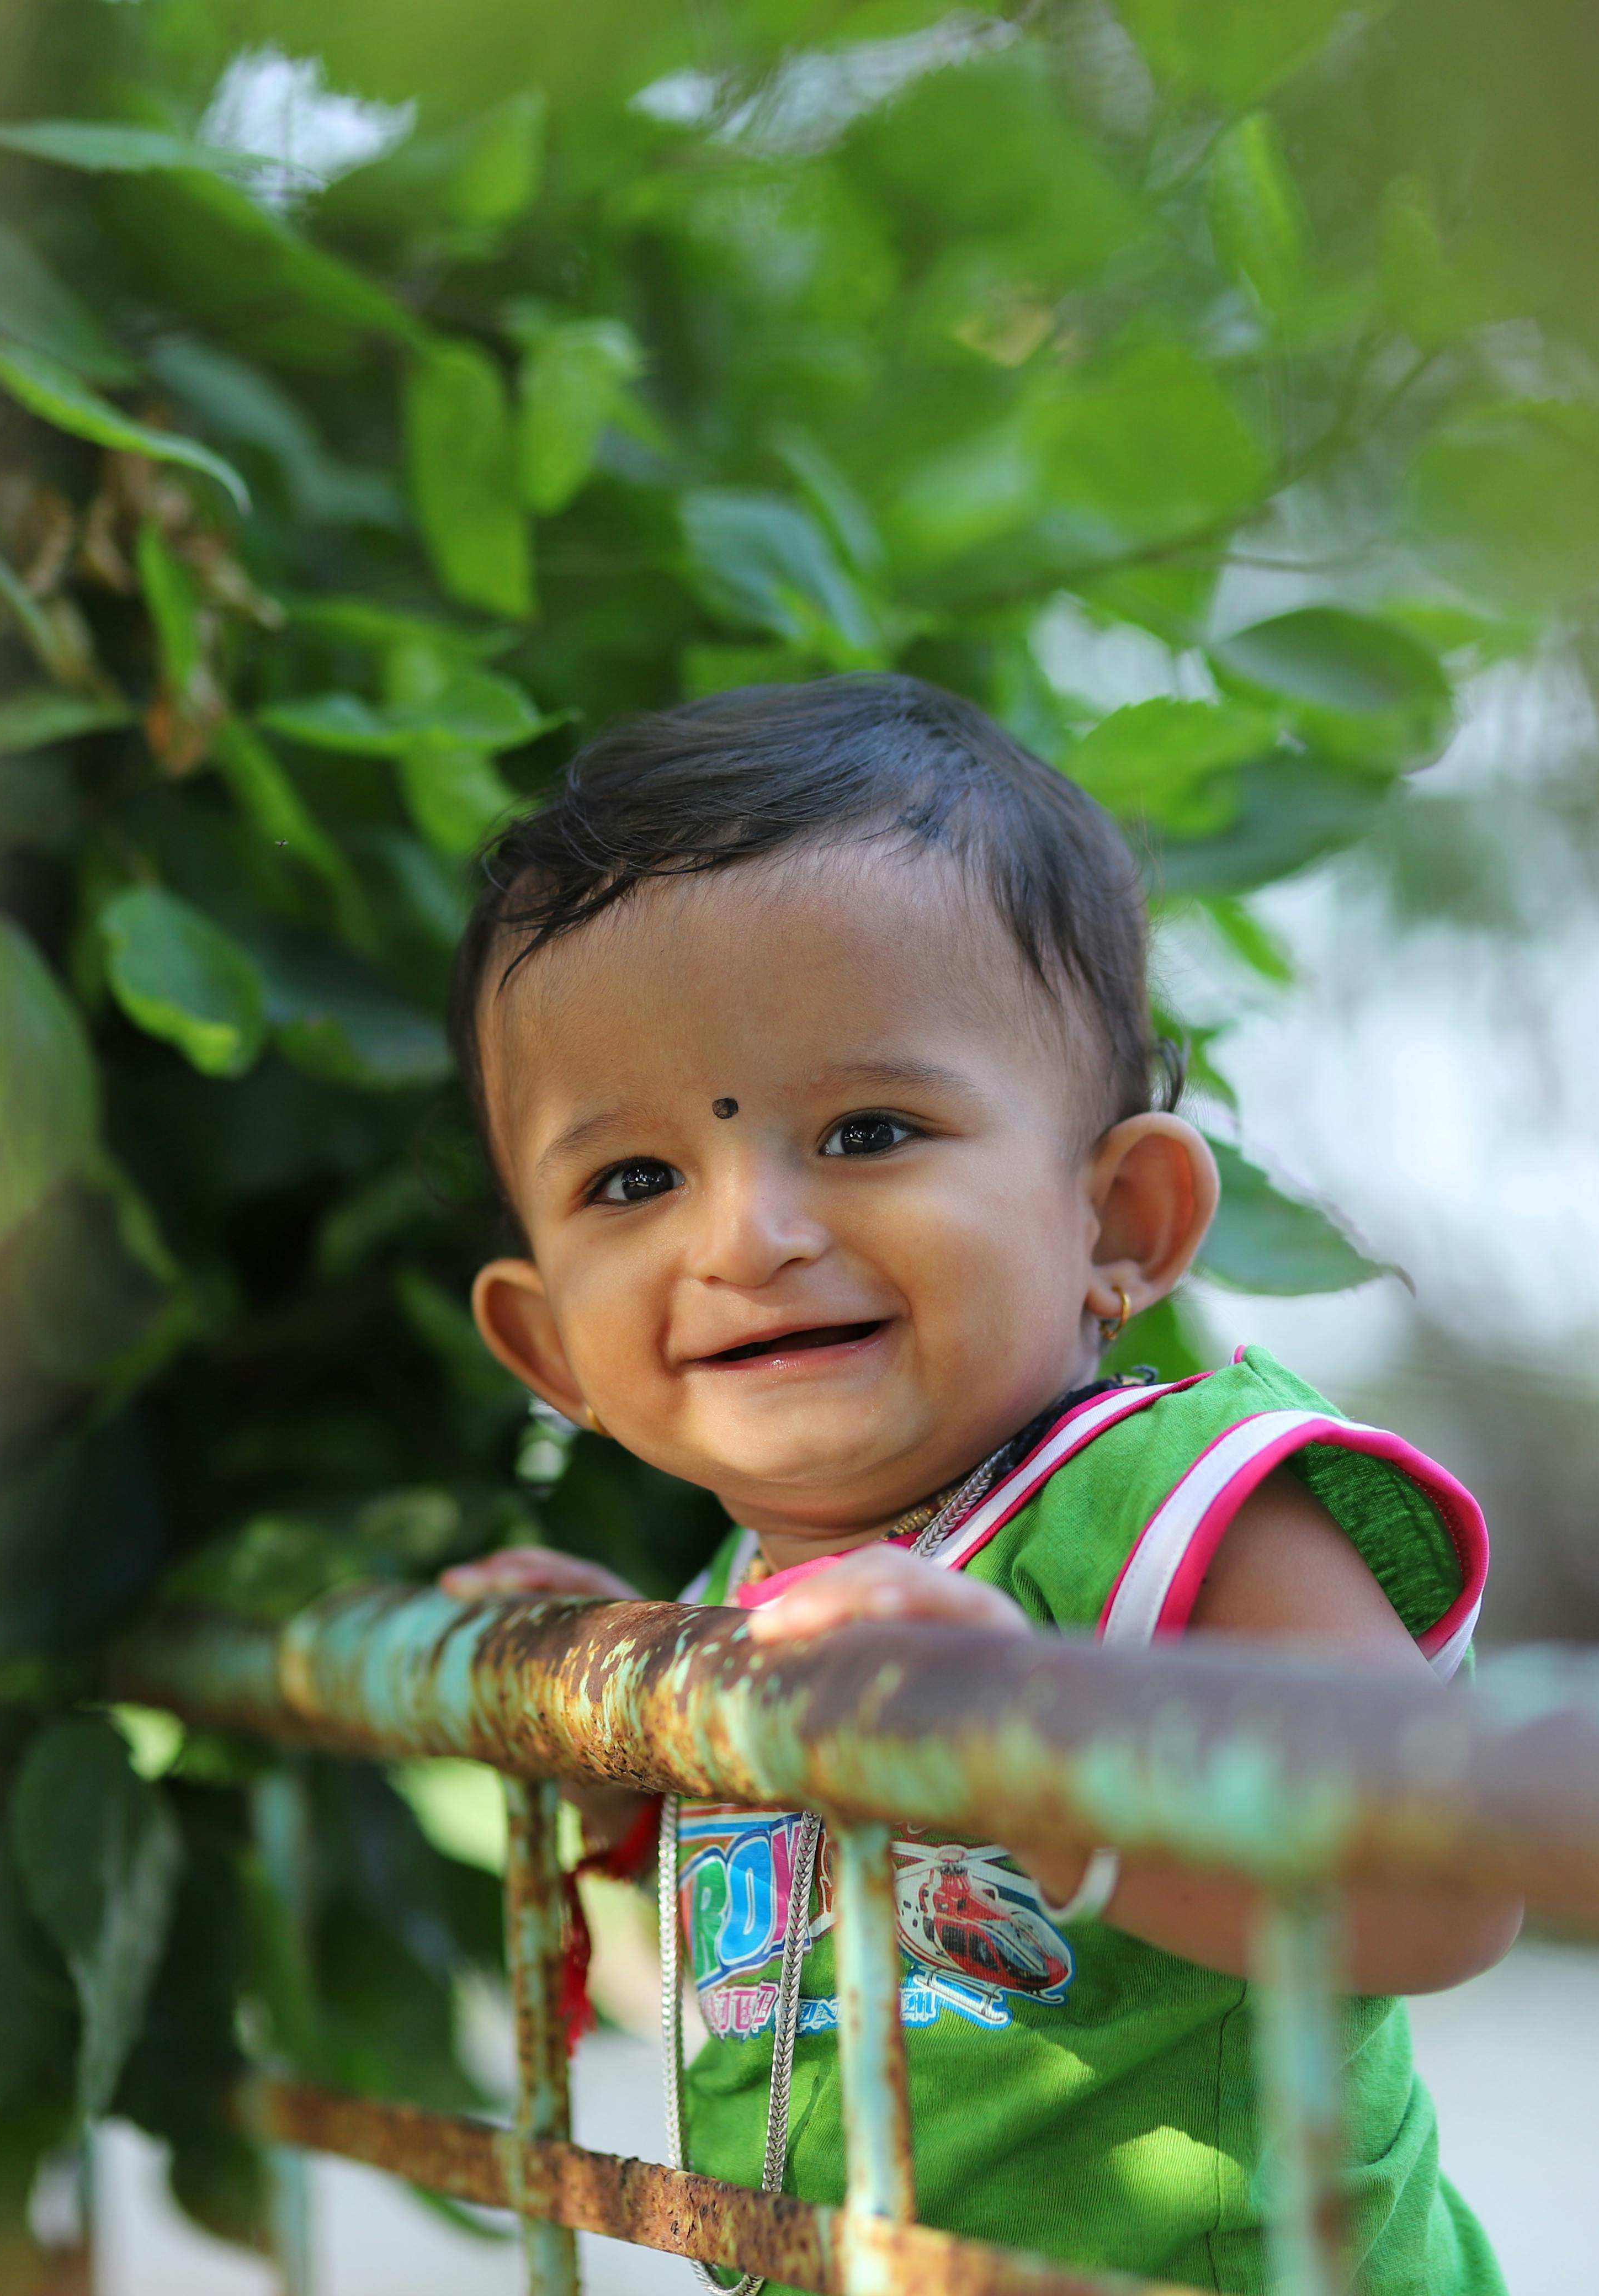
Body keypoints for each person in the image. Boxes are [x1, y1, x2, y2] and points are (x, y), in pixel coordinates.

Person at [433, 674, 1518, 2294]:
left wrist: (1031, 1768)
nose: (747, 1237)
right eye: (638, 1177)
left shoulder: (1182, 1509)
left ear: (1121, 1225)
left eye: (868, 1130)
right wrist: (638, 1748)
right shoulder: (752, 1605)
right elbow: (820, 1996)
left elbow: (1444, 1892)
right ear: (549, 1347)